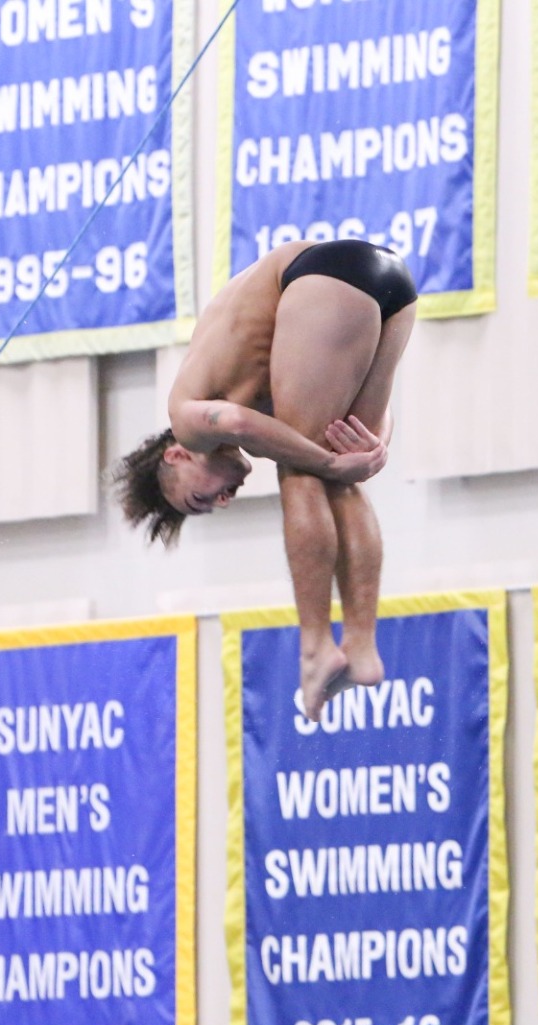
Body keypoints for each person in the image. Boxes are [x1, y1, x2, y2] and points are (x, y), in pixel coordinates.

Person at [112, 239, 417, 719]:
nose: (221, 501)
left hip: (323, 275)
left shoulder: (186, 419)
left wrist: (327, 463)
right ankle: (361, 646)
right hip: (394, 286)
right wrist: (374, 446)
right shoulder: (276, 383)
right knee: (338, 468)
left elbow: (237, 424)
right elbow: (377, 413)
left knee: (301, 469)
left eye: (198, 499)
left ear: (176, 456)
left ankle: (315, 646)